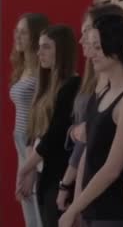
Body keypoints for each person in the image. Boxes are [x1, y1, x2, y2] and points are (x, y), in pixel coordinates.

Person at [59, 14, 123, 227]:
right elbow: (87, 151)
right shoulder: (101, 93)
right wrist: (77, 203)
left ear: (114, 46)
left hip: (114, 213)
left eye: (97, 46)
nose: (90, 53)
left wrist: (75, 207)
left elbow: (112, 168)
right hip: (92, 209)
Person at [16, 25, 81, 227]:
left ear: (61, 50)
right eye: (39, 47)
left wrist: (25, 168)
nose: (39, 52)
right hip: (44, 171)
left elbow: (55, 135)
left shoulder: (72, 84)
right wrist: (31, 169)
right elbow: (33, 131)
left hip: (60, 173)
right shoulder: (44, 85)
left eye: (46, 47)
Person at [10, 12, 49, 227]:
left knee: (35, 197)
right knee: (25, 197)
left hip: (35, 141)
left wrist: (34, 156)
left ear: (35, 36)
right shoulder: (23, 68)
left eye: (23, 32)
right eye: (17, 31)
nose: (17, 36)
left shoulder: (42, 70)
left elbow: (44, 113)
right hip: (21, 140)